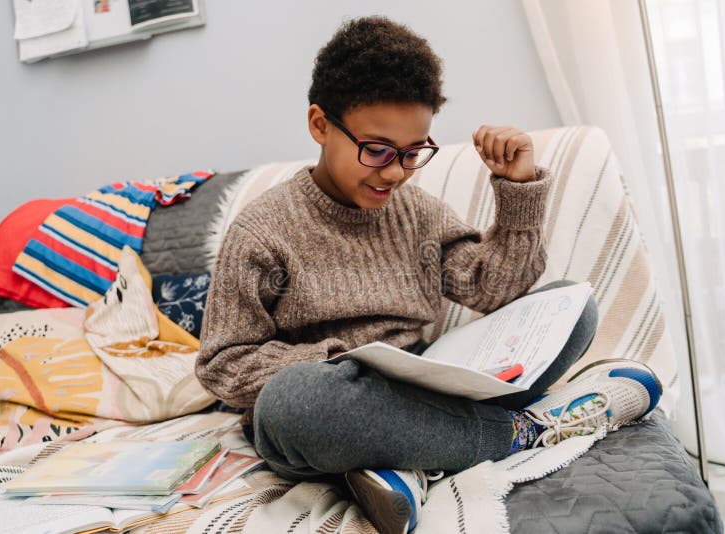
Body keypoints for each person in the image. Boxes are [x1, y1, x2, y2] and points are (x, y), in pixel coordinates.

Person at [197, 16, 662, 534]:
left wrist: (518, 189)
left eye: (413, 153)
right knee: (293, 405)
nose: (395, 172)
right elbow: (222, 362)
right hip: (335, 402)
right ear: (320, 124)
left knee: (573, 305)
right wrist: (334, 363)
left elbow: (493, 289)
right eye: (376, 150)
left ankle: (406, 462)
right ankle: (522, 432)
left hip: (429, 384)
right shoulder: (262, 230)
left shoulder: (415, 209)